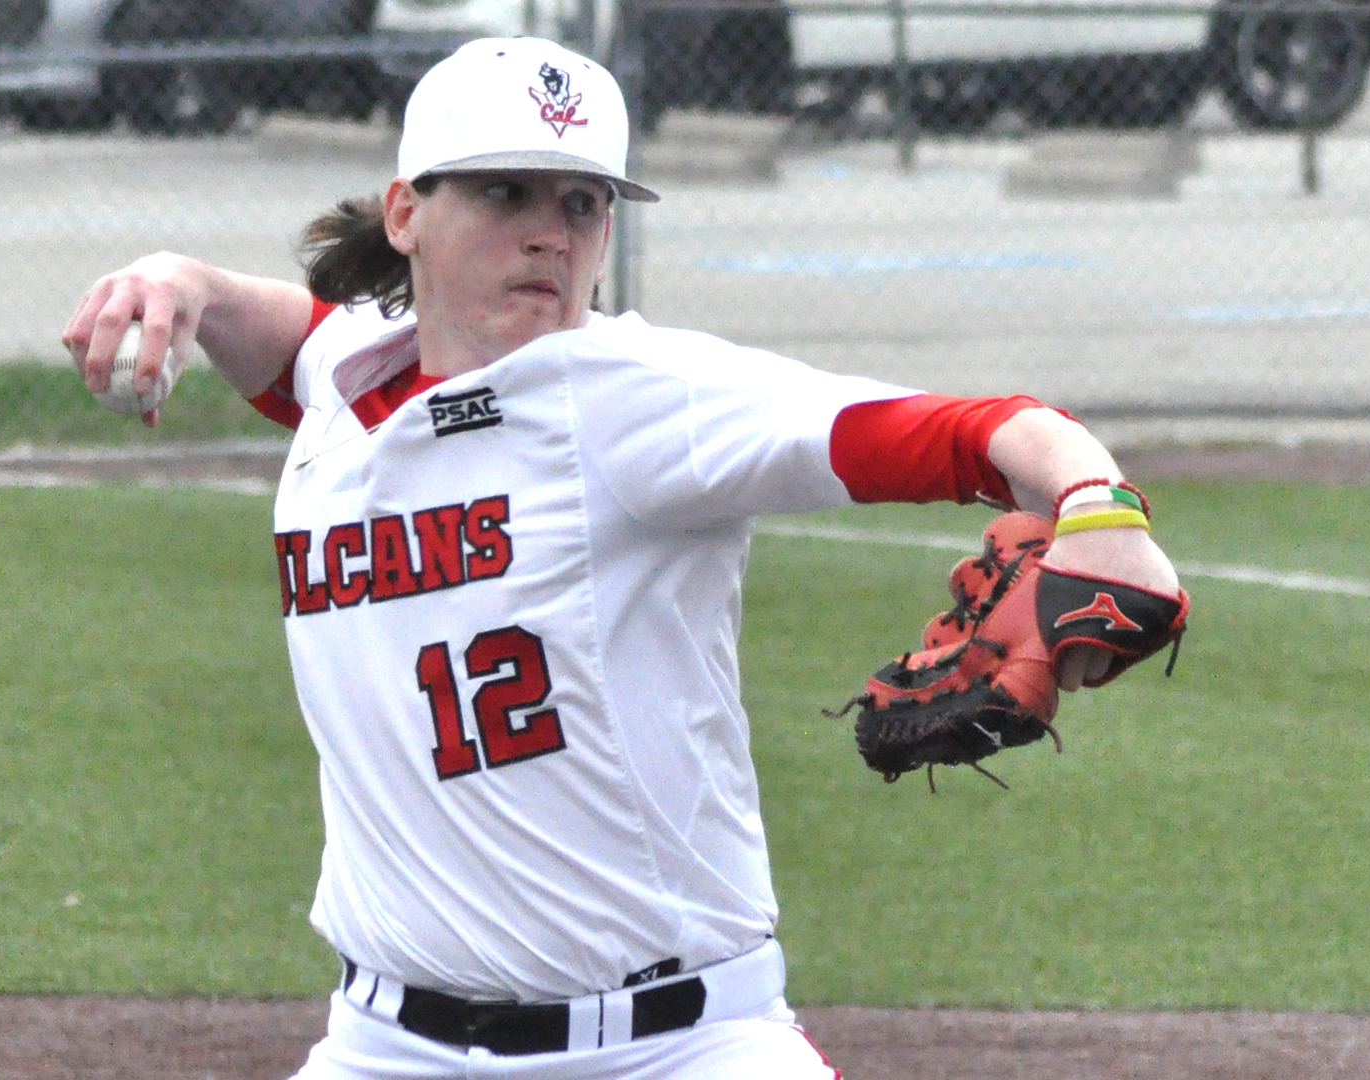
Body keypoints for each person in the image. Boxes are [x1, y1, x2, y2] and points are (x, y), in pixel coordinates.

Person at [63, 36, 1180, 1080]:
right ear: (406, 212)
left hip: (676, 1047)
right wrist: (189, 285)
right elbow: (298, 344)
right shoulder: (352, 374)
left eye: (583, 202)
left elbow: (964, 429)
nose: (552, 231)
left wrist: (1097, 500)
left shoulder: (646, 401)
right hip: (386, 1045)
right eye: (507, 193)